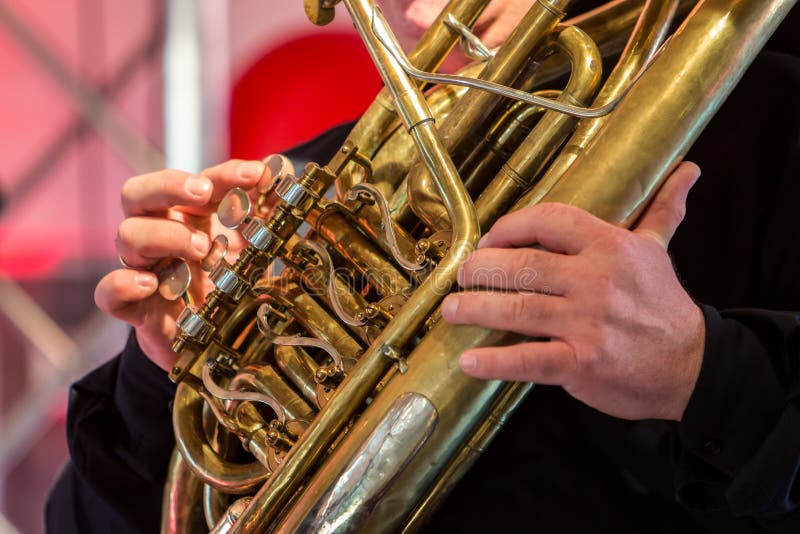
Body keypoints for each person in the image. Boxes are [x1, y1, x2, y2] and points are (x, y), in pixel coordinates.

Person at [46, 1, 800, 532]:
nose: (415, 13)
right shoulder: (314, 187)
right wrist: (169, 369)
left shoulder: (772, 122)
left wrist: (698, 370)